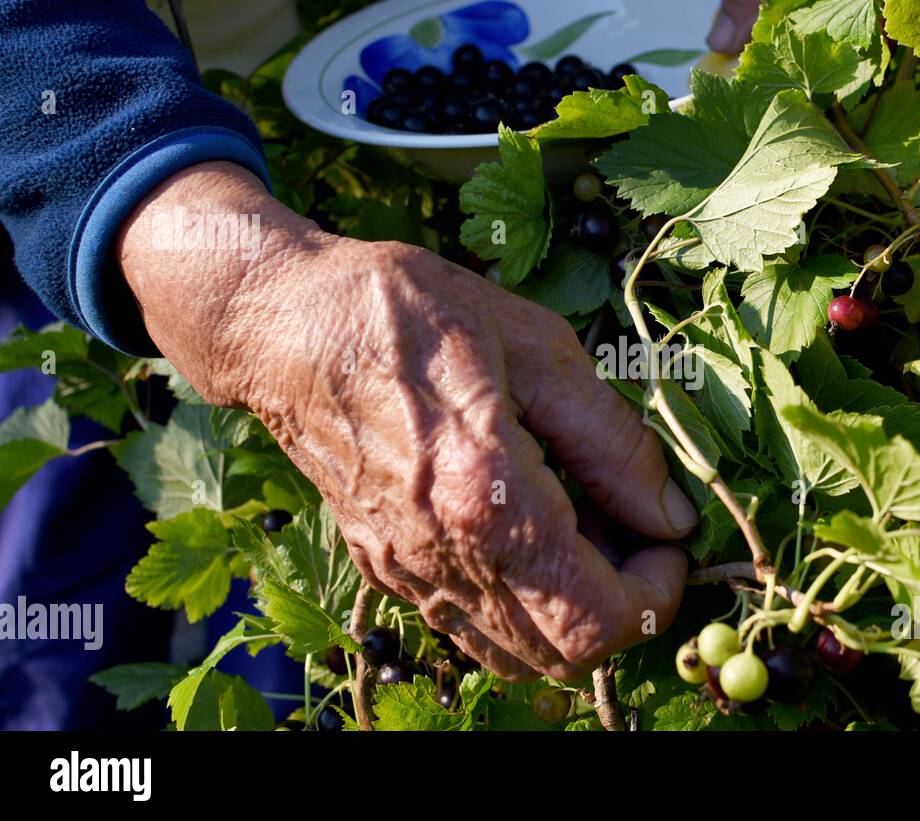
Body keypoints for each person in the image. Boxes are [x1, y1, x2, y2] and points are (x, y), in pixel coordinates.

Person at [0, 0, 763, 711]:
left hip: (339, 115)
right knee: (59, 599)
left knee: (328, 611)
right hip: (93, 127)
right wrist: (228, 272)